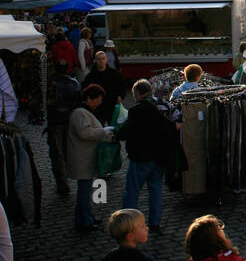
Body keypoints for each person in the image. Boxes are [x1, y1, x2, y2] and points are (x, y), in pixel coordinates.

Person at [121, 79, 169, 234]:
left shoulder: (136, 110)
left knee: (132, 191)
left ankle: (128, 223)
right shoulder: (163, 105)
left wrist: (115, 135)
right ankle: (155, 222)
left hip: (141, 156)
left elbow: (127, 131)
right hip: (160, 156)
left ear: (137, 93)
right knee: (155, 191)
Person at [67, 85, 115, 231]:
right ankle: (84, 221)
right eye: (98, 100)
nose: (99, 103)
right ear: (89, 98)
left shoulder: (82, 111)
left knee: (85, 191)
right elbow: (85, 133)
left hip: (85, 157)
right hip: (83, 158)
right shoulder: (80, 113)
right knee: (84, 192)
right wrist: (103, 132)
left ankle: (85, 218)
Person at [46, 60, 82, 195]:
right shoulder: (74, 83)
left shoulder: (50, 84)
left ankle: (62, 181)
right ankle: (68, 176)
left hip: (55, 121)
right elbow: (78, 100)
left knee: (57, 153)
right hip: (69, 120)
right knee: (68, 150)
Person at [84, 48, 128, 125]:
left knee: (113, 126)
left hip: (111, 103)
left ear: (106, 59)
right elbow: (86, 89)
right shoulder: (91, 76)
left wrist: (121, 96)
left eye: (103, 59)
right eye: (99, 59)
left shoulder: (114, 74)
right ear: (95, 60)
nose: (101, 61)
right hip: (97, 106)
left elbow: (122, 86)